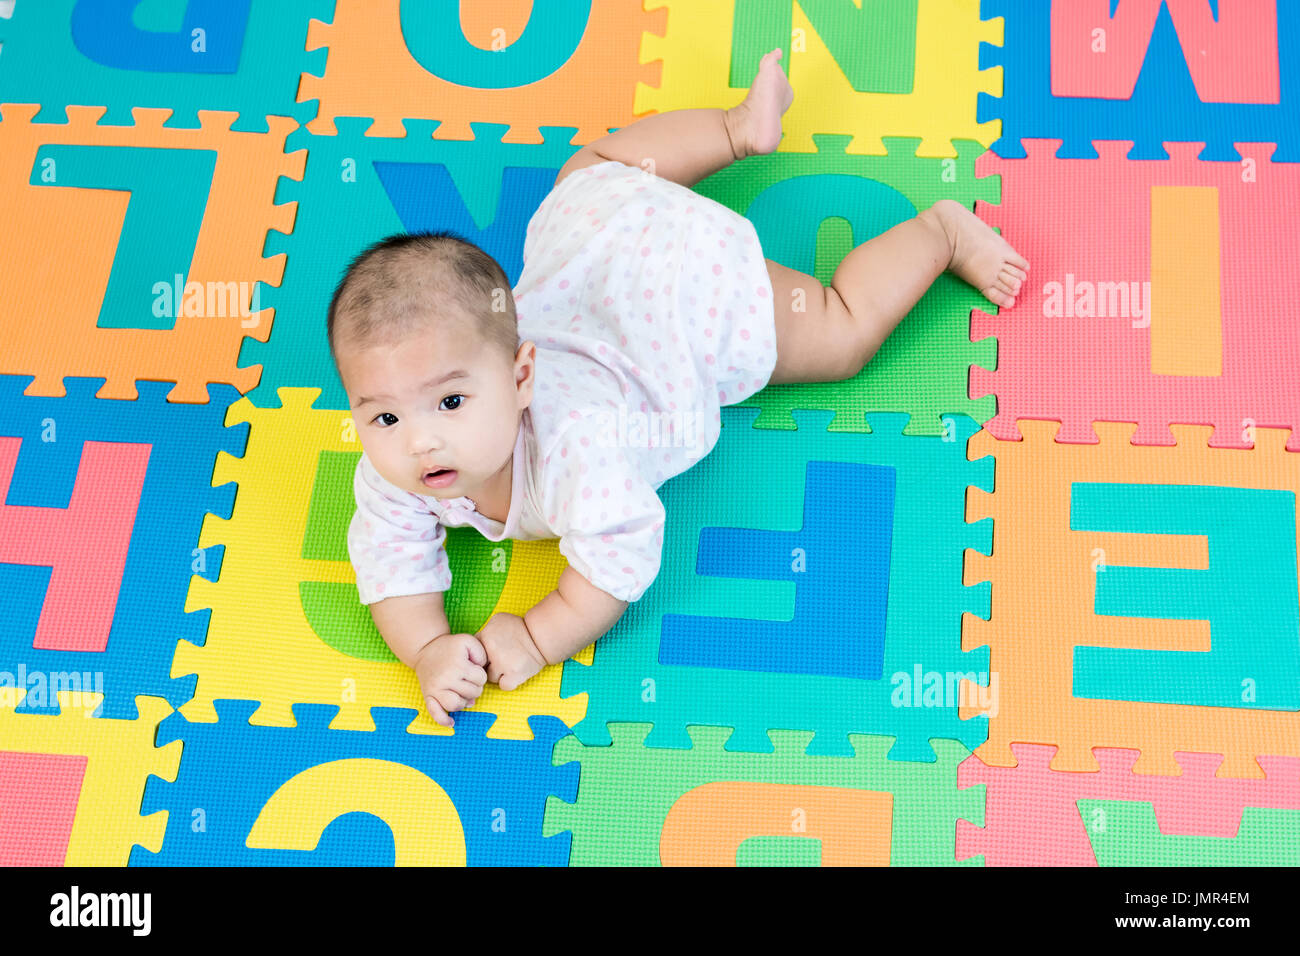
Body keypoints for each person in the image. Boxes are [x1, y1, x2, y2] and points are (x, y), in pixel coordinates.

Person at [329, 48, 1029, 727]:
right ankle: (734, 130)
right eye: (383, 416)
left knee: (839, 331)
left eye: (451, 402)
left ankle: (940, 233)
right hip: (591, 239)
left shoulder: (583, 455)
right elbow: (390, 559)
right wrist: (424, 649)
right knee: (593, 168)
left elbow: (618, 558)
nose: (419, 440)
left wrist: (541, 637)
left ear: (521, 376)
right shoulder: (396, 469)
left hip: (682, 293)